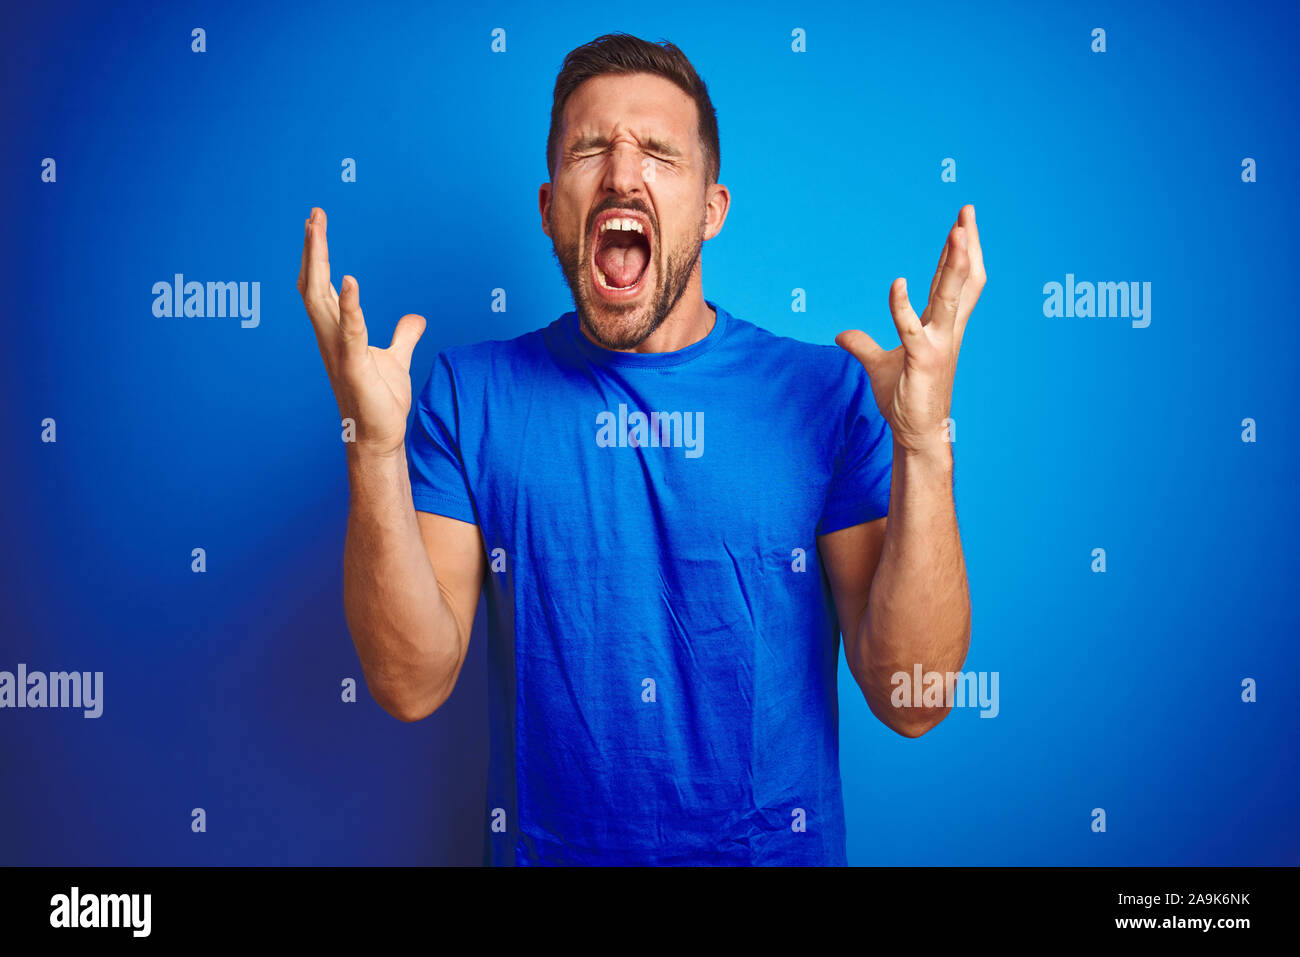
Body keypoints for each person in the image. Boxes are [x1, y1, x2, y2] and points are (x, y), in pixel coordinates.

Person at [296, 32, 986, 865]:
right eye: (592, 148)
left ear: (710, 209)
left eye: (658, 151)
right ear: (551, 208)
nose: (622, 173)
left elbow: (913, 697)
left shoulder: (825, 396)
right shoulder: (466, 397)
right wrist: (372, 447)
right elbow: (410, 684)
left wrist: (923, 445)